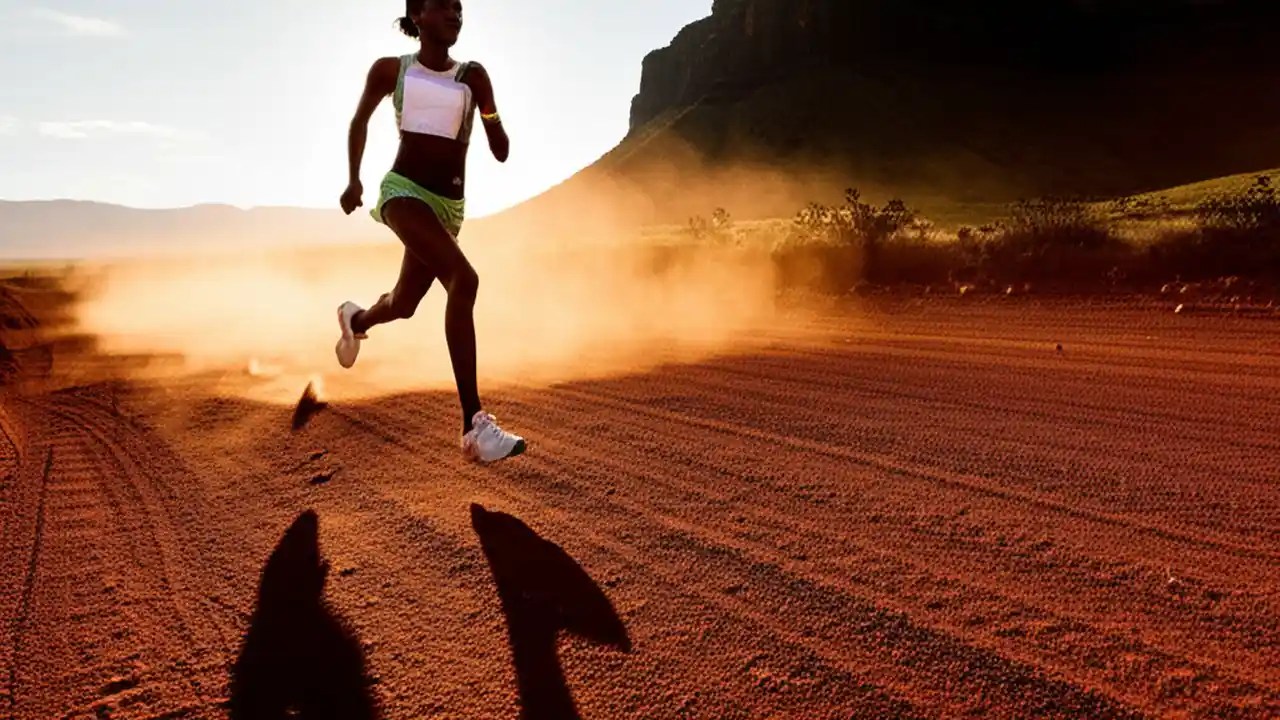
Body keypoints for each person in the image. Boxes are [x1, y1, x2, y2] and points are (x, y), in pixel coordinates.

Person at [335, 0, 525, 464]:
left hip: (448, 208)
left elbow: (500, 150)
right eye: (444, 7)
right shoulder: (391, 70)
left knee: (403, 304)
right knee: (465, 280)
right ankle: (474, 426)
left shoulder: (471, 75)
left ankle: (354, 320)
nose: (455, 15)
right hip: (403, 193)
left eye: (459, 9)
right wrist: (355, 179)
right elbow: (359, 121)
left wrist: (488, 107)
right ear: (417, 14)